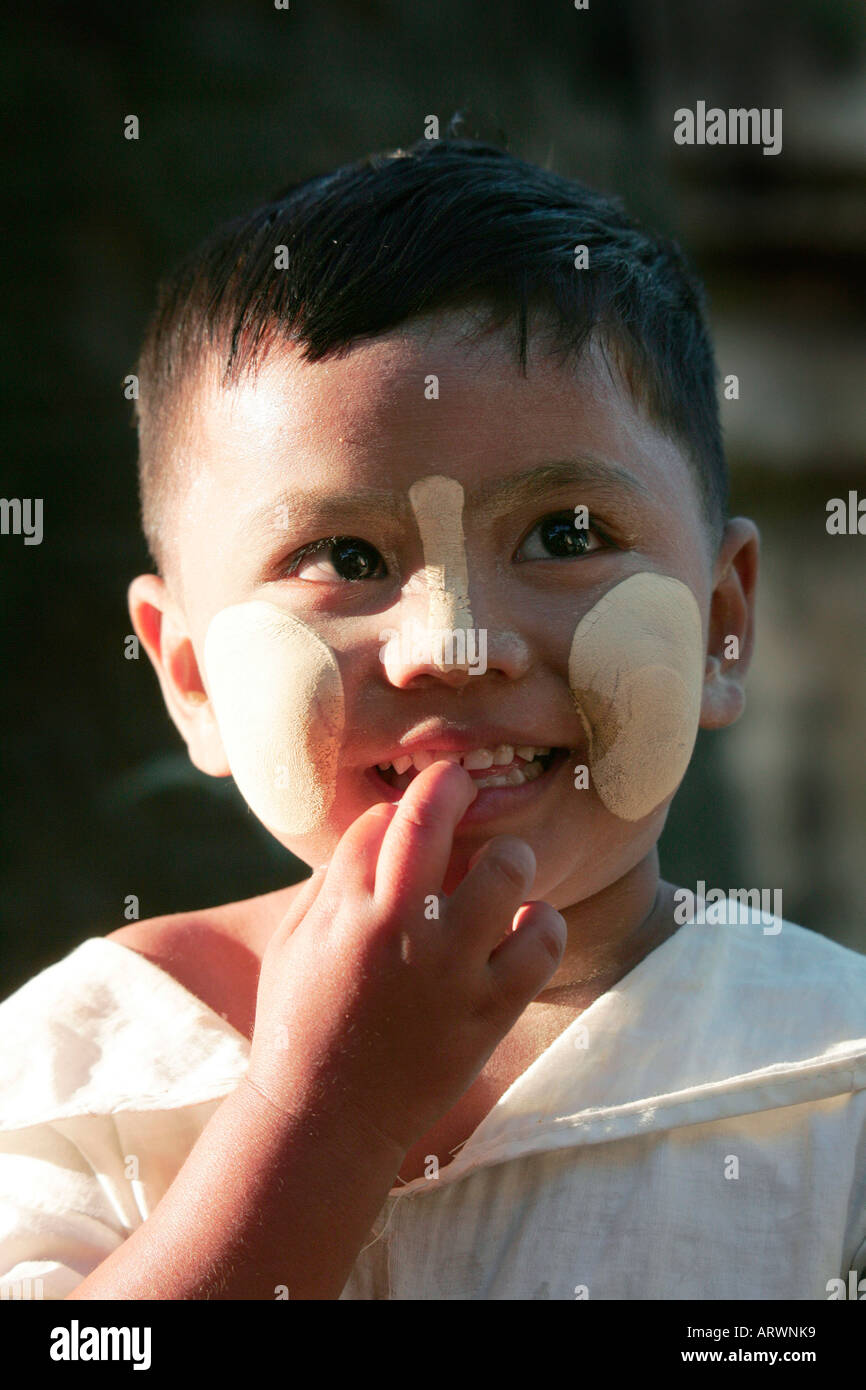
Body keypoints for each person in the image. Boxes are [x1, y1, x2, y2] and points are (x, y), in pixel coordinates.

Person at [1, 138, 864, 1301]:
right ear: (191, 679)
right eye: (344, 556)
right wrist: (320, 1115)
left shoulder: (831, 1073)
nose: (458, 645)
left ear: (718, 627)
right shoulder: (90, 1058)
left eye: (565, 534)